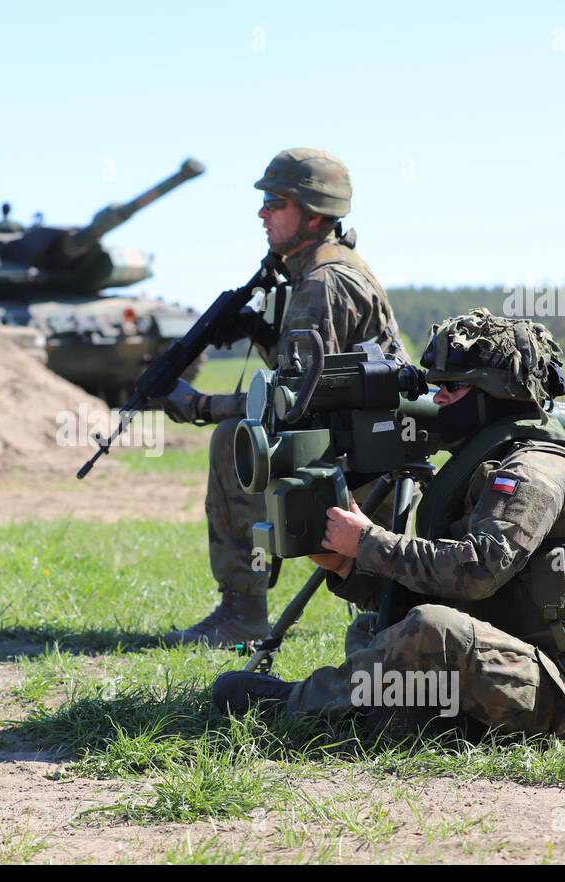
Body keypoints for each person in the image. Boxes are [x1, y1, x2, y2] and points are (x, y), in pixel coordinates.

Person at [212, 311, 565, 740]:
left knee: (432, 630)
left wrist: (367, 541)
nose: (438, 399)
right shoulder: (488, 461)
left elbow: (477, 572)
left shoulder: (534, 470)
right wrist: (348, 566)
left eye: (453, 387)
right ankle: (393, 716)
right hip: (517, 654)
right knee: (379, 627)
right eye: (437, 386)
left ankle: (298, 705)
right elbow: (449, 589)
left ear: (498, 394)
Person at [159, 148, 408, 648]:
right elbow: (316, 378)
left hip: (367, 461)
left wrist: (200, 406)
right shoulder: (324, 268)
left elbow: (293, 402)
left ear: (314, 215)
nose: (262, 213)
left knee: (233, 441)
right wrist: (260, 332)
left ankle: (241, 614)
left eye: (275, 203)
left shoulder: (320, 282)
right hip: (372, 445)